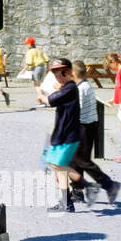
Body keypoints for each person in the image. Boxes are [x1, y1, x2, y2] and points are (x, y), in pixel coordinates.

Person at [70, 60, 120, 203]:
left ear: (73, 73)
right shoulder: (86, 85)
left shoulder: (80, 88)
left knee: (82, 160)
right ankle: (78, 190)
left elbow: (76, 109)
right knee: (75, 159)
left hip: (84, 127)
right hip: (88, 125)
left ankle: (110, 185)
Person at [41, 59, 83, 212]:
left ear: (68, 72)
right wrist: (59, 87)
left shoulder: (70, 88)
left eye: (61, 72)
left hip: (67, 134)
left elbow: (49, 100)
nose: (58, 76)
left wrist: (38, 91)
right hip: (63, 133)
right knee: (57, 166)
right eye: (55, 73)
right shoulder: (68, 87)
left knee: (57, 165)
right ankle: (67, 202)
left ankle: (81, 182)